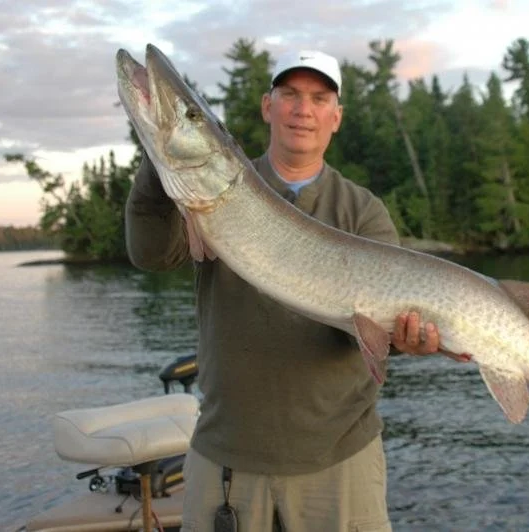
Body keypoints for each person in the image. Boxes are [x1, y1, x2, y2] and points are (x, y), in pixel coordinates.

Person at [125, 49, 462, 532]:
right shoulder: (203, 190)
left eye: (319, 98)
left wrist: (408, 340)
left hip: (340, 459)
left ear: (336, 117)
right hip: (226, 457)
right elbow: (150, 254)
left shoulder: (363, 211)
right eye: (290, 95)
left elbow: (375, 329)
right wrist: (159, 159)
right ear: (268, 106)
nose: (303, 109)